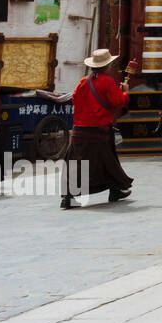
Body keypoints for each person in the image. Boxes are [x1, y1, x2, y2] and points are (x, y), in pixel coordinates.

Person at [60, 49, 133, 209]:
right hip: (99, 129)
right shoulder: (107, 81)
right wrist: (125, 92)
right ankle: (114, 189)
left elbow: (75, 101)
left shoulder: (83, 81)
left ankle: (70, 196)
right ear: (108, 66)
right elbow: (118, 101)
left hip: (80, 130)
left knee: (77, 164)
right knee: (107, 160)